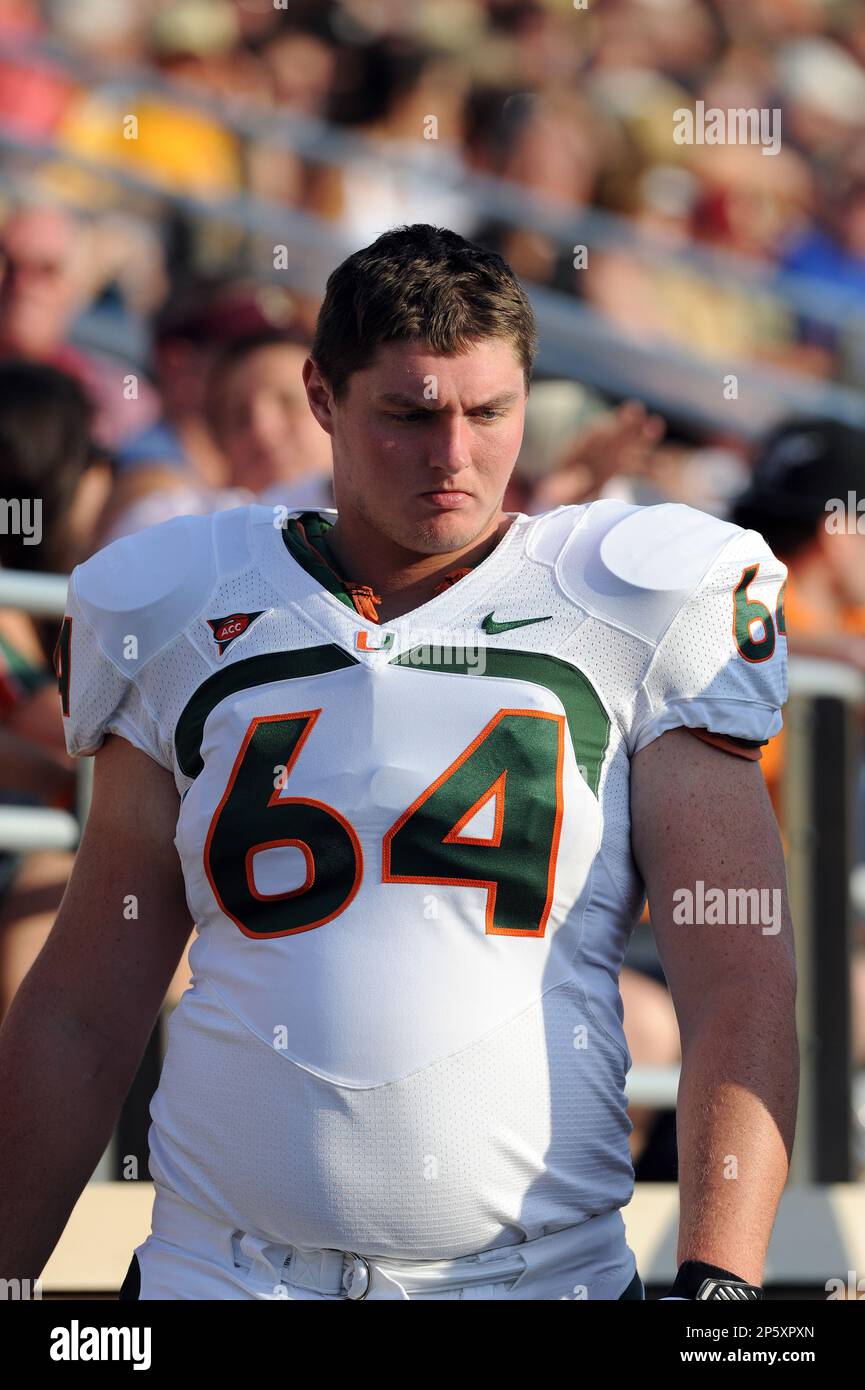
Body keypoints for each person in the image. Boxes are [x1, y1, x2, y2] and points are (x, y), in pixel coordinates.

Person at [0, 225, 797, 1301]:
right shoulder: (179, 603)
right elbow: (84, 1006)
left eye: (489, 411)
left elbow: (738, 974)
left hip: (534, 1280)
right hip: (220, 1276)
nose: (454, 454)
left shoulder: (638, 599)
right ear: (321, 396)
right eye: (412, 414)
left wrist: (723, 1285)